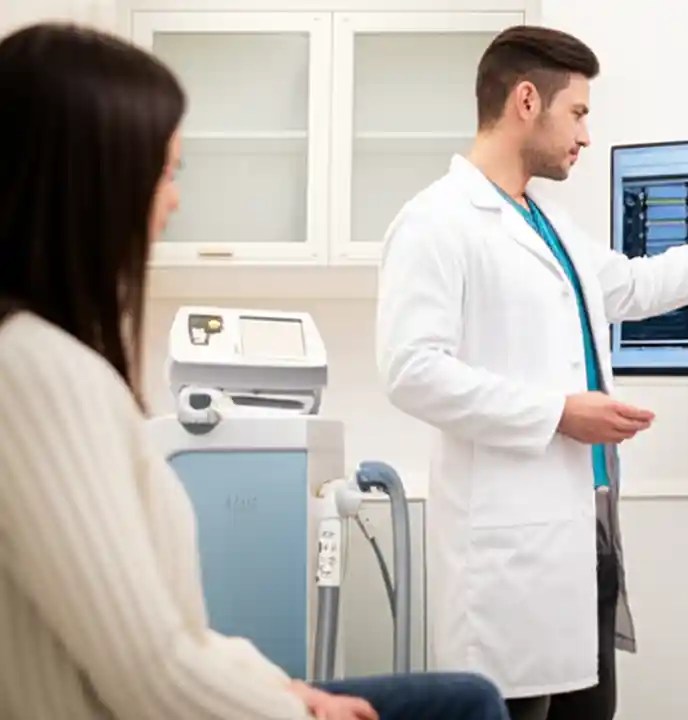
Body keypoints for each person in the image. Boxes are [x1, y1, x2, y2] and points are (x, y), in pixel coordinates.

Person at [0, 22, 511, 720]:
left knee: (467, 695)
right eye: (165, 172)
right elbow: (151, 671)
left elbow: (174, 638)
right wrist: (301, 712)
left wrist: (286, 690)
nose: (173, 201)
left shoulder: (44, 363)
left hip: (184, 686)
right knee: (467, 706)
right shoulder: (39, 376)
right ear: (93, 183)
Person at [374, 24, 688, 720]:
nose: (584, 135)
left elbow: (635, 287)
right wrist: (557, 413)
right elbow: (410, 369)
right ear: (525, 101)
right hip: (509, 555)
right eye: (577, 113)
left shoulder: (545, 223)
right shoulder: (437, 222)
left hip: (582, 539)